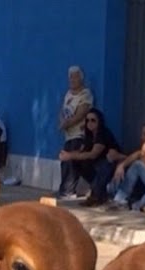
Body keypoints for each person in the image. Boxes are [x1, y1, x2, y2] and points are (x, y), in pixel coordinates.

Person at [57, 109, 120, 207]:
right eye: (87, 120)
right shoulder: (88, 135)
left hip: (111, 164)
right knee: (76, 161)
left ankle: (96, 194)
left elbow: (93, 154)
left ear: (99, 121)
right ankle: (96, 192)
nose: (90, 123)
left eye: (93, 120)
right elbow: (81, 151)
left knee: (104, 164)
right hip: (96, 165)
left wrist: (70, 155)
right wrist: (68, 154)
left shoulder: (103, 134)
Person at [56, 65, 94, 199]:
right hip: (69, 134)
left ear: (81, 78)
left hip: (79, 133)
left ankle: (69, 190)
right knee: (65, 161)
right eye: (70, 77)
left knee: (72, 160)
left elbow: (81, 113)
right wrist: (62, 122)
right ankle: (64, 189)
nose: (72, 79)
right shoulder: (68, 94)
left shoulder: (86, 94)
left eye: (75, 76)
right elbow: (63, 110)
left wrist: (67, 123)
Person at [108, 120, 145, 205]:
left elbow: (139, 154)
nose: (142, 137)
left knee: (137, 164)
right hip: (144, 183)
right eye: (142, 134)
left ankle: (118, 195)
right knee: (125, 164)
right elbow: (137, 154)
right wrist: (121, 165)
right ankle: (113, 191)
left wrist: (122, 165)